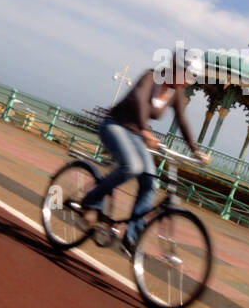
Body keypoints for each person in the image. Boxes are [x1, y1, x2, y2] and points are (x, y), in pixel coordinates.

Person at [79, 48, 210, 253]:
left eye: (194, 77)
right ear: (176, 68)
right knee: (132, 166)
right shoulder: (151, 77)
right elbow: (140, 99)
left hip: (137, 135)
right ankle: (91, 200)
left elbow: (182, 120)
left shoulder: (176, 92)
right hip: (115, 125)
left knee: (151, 182)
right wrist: (145, 130)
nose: (190, 81)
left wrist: (196, 151)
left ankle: (131, 239)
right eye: (189, 75)